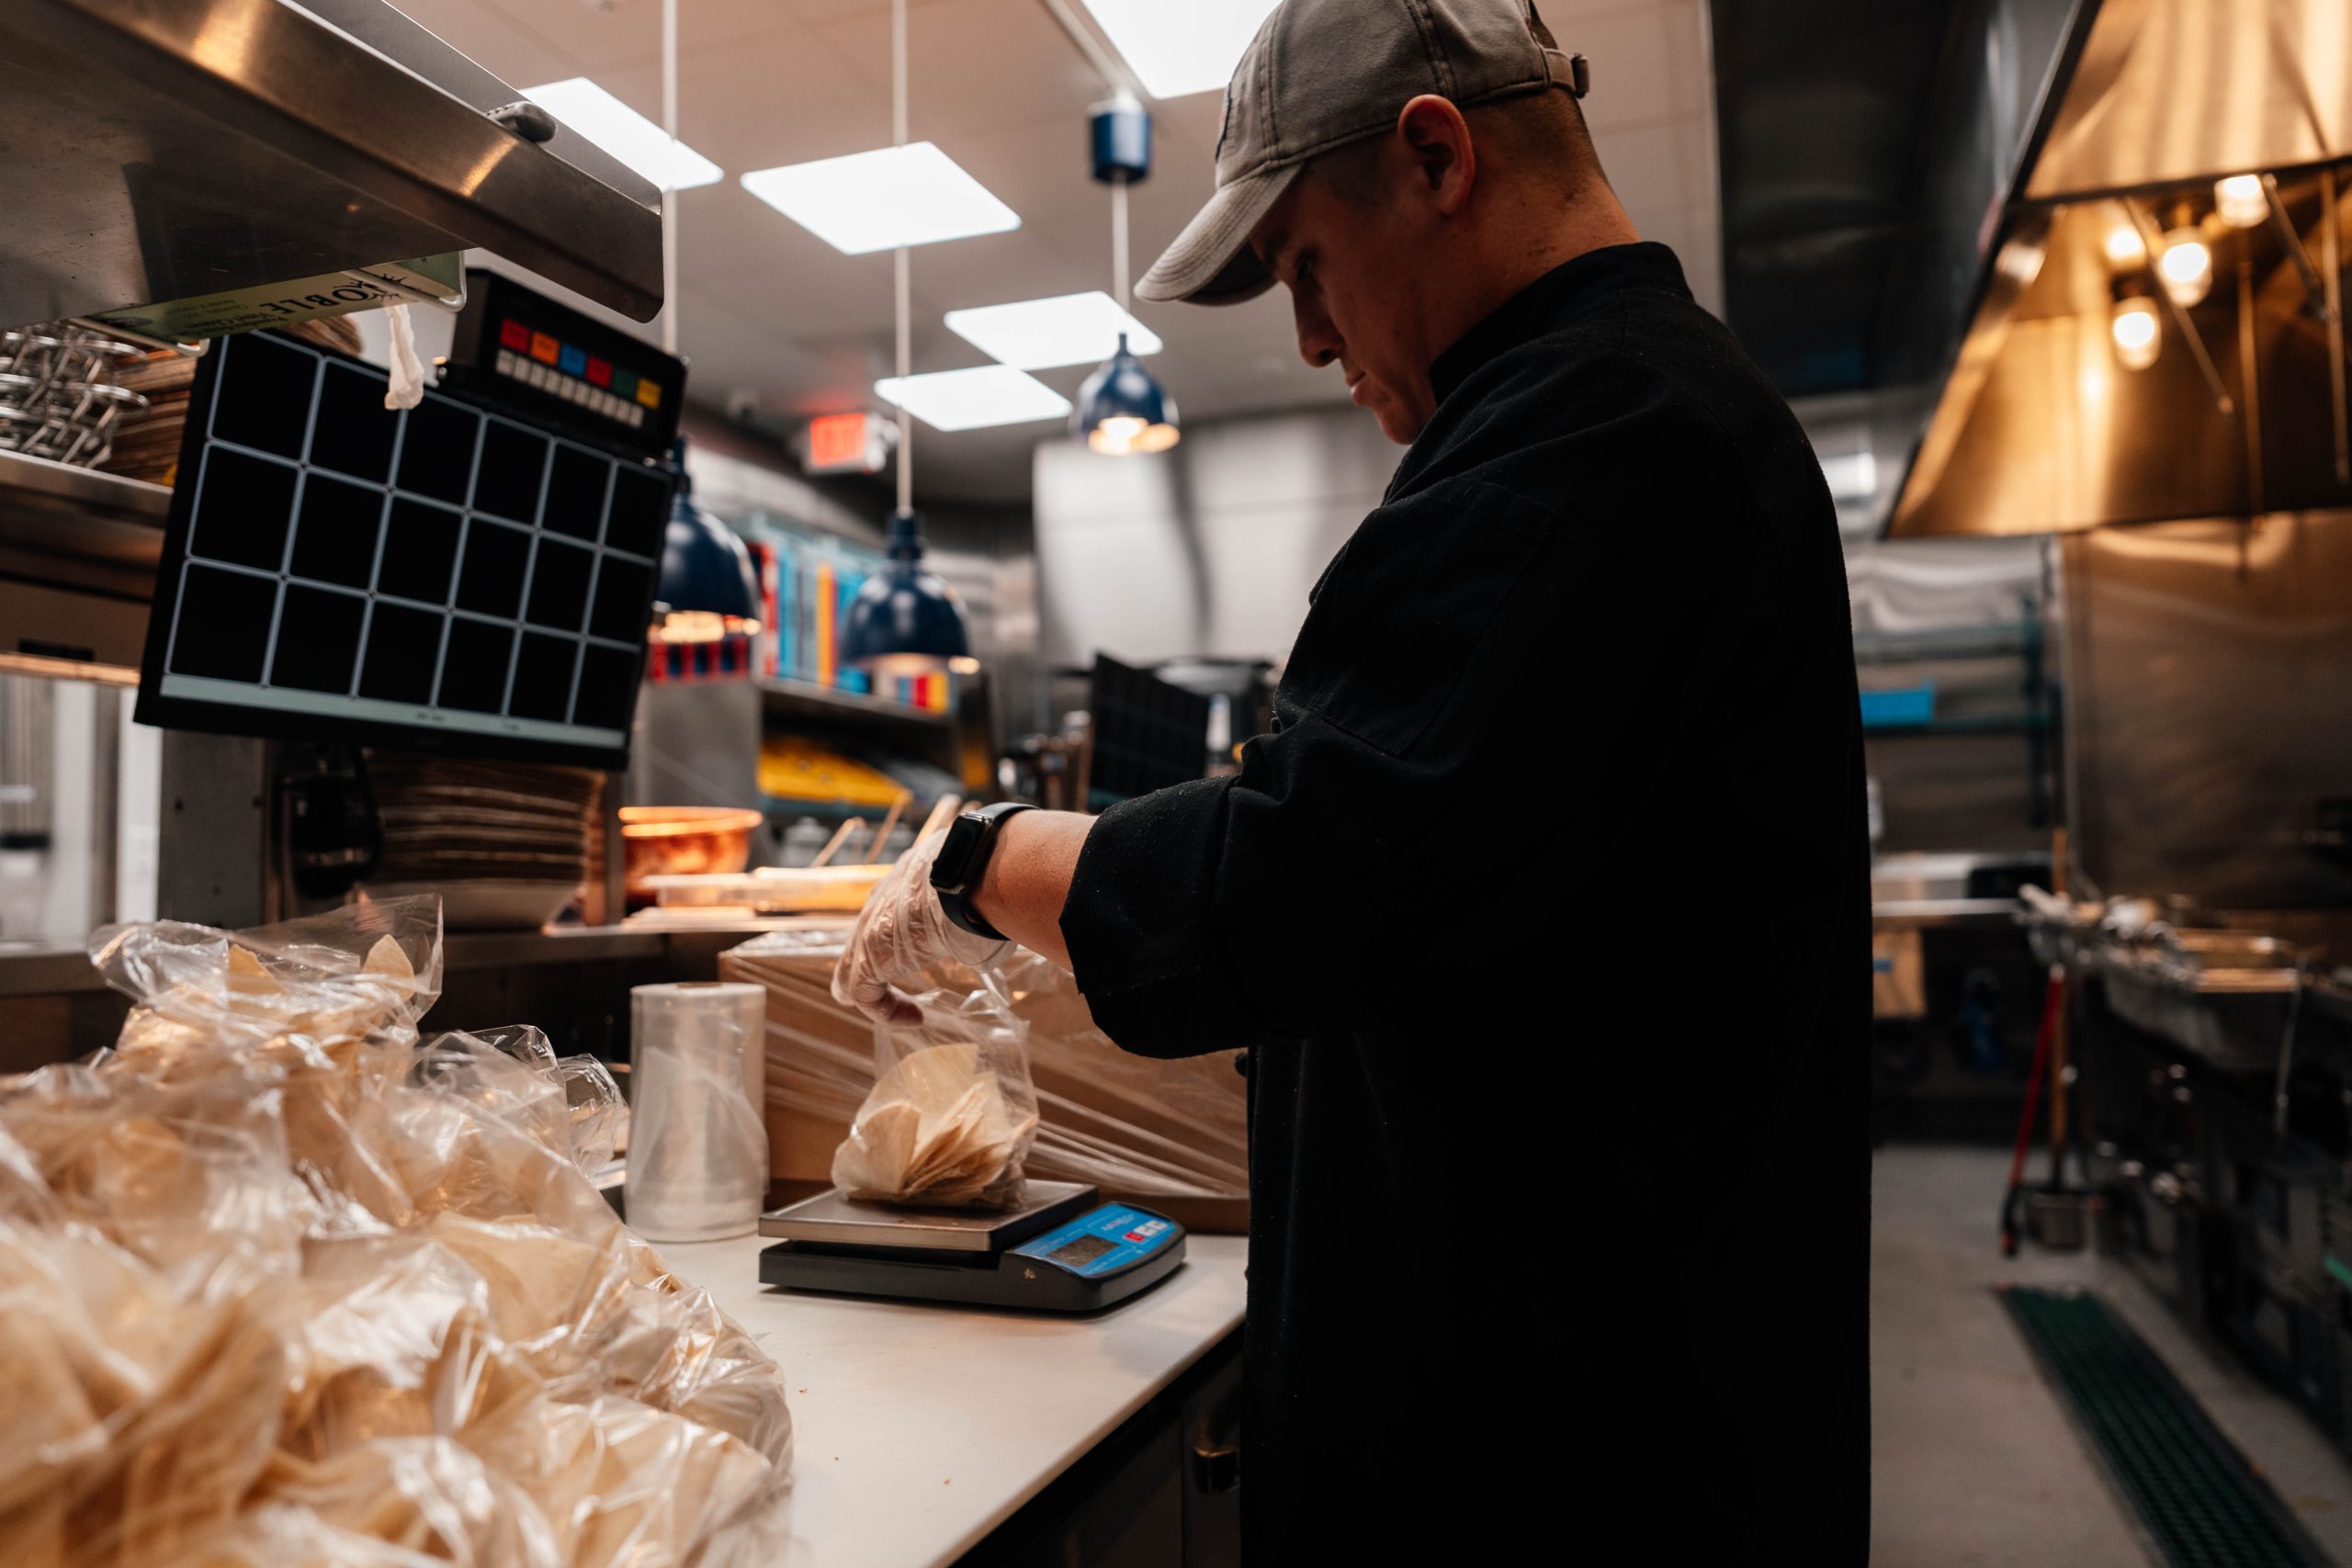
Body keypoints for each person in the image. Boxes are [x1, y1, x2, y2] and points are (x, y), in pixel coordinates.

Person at [836, 0, 1871, 1557]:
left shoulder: (1602, 429)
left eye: (1307, 266)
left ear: (1437, 159)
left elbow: (1312, 873)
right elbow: (1458, 899)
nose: (1312, 337)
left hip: (1576, 1459)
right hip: (1594, 1389)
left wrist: (981, 859)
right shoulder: (1620, 415)